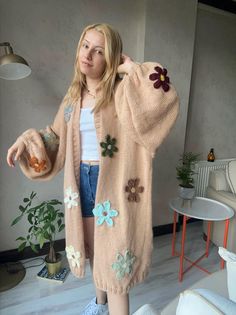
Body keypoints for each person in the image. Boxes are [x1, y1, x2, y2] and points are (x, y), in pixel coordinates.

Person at [7, 23, 179, 315]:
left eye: (99, 51)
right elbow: (55, 137)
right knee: (94, 251)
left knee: (113, 264)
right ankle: (99, 306)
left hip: (111, 182)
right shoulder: (73, 98)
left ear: (110, 58)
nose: (88, 54)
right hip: (81, 182)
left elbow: (160, 100)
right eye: (86, 45)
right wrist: (29, 141)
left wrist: (133, 71)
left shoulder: (122, 94)